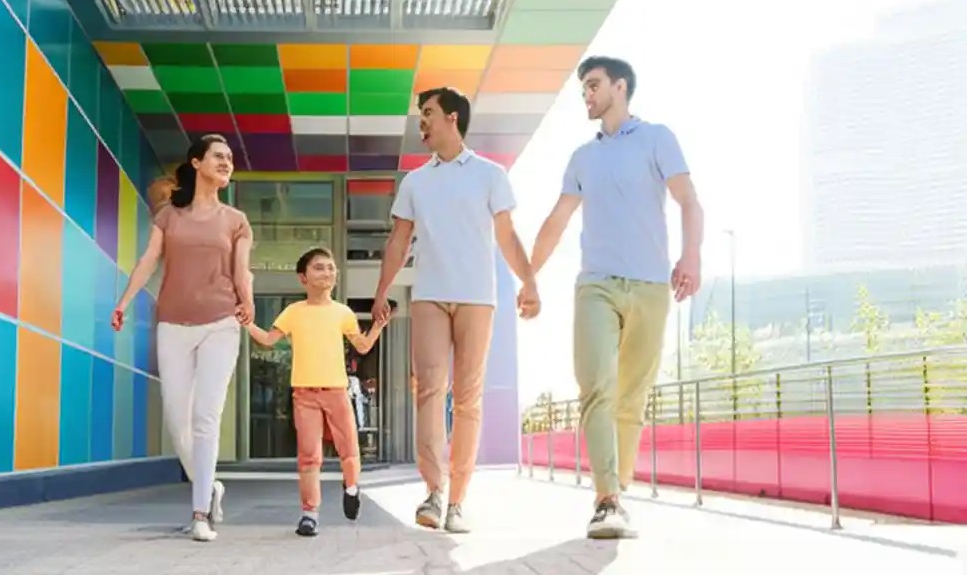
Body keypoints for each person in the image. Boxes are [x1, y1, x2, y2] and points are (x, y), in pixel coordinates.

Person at [528, 56, 703, 539]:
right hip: (596, 285)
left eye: (593, 85)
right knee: (596, 388)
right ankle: (606, 499)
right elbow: (557, 220)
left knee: (631, 397)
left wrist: (692, 257)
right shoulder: (583, 157)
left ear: (619, 87)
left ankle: (618, 494)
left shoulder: (656, 138)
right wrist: (528, 277)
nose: (586, 95)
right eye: (583, 87)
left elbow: (689, 200)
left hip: (650, 285)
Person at [372, 86, 540, 533]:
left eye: (427, 113)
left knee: (467, 399)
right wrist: (381, 290)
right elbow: (398, 241)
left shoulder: (489, 174)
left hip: (477, 298)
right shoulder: (415, 181)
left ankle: (459, 500)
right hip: (429, 294)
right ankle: (433, 491)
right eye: (419, 115)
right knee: (429, 390)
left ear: (452, 117)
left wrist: (528, 280)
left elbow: (506, 236)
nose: (421, 122)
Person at [111, 133, 254, 542]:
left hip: (220, 323)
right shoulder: (169, 216)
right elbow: (148, 259)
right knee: (178, 421)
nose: (227, 162)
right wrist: (124, 301)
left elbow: (241, 269)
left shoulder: (236, 220)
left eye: (230, 158)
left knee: (206, 417)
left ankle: (200, 514)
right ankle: (210, 486)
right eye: (218, 156)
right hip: (173, 323)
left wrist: (248, 302)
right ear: (196, 163)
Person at [243, 247, 386, 537]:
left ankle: (352, 487)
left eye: (331, 268)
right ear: (303, 278)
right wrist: (247, 325)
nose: (327, 273)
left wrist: (378, 327)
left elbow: (361, 346)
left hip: (336, 391)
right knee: (309, 456)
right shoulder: (294, 312)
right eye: (319, 268)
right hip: (304, 394)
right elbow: (269, 341)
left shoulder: (343, 312)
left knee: (349, 449)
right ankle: (309, 514)